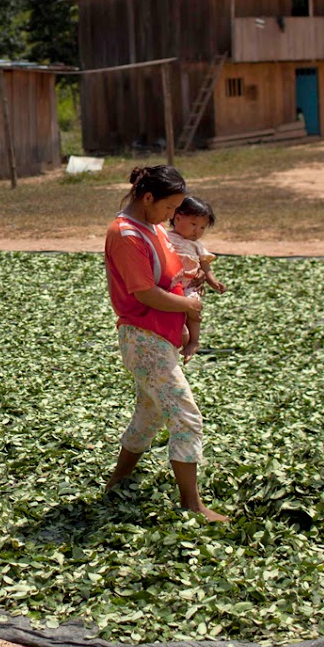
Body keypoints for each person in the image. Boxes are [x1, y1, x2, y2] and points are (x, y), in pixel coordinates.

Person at [102, 165, 228, 522]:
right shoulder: (127, 234)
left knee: (149, 414)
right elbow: (143, 292)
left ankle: (118, 481)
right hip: (144, 337)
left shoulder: (153, 227)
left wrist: (194, 283)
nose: (173, 216)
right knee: (186, 417)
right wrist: (188, 304)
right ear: (147, 198)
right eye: (170, 207)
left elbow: (173, 272)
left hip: (161, 336)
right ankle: (192, 505)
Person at [166, 196, 225, 362]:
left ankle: (193, 341)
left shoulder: (197, 246)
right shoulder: (166, 237)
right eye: (194, 224)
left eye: (202, 227)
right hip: (170, 285)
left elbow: (205, 265)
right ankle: (181, 341)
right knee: (176, 315)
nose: (197, 231)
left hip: (189, 285)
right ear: (177, 218)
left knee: (193, 310)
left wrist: (212, 281)